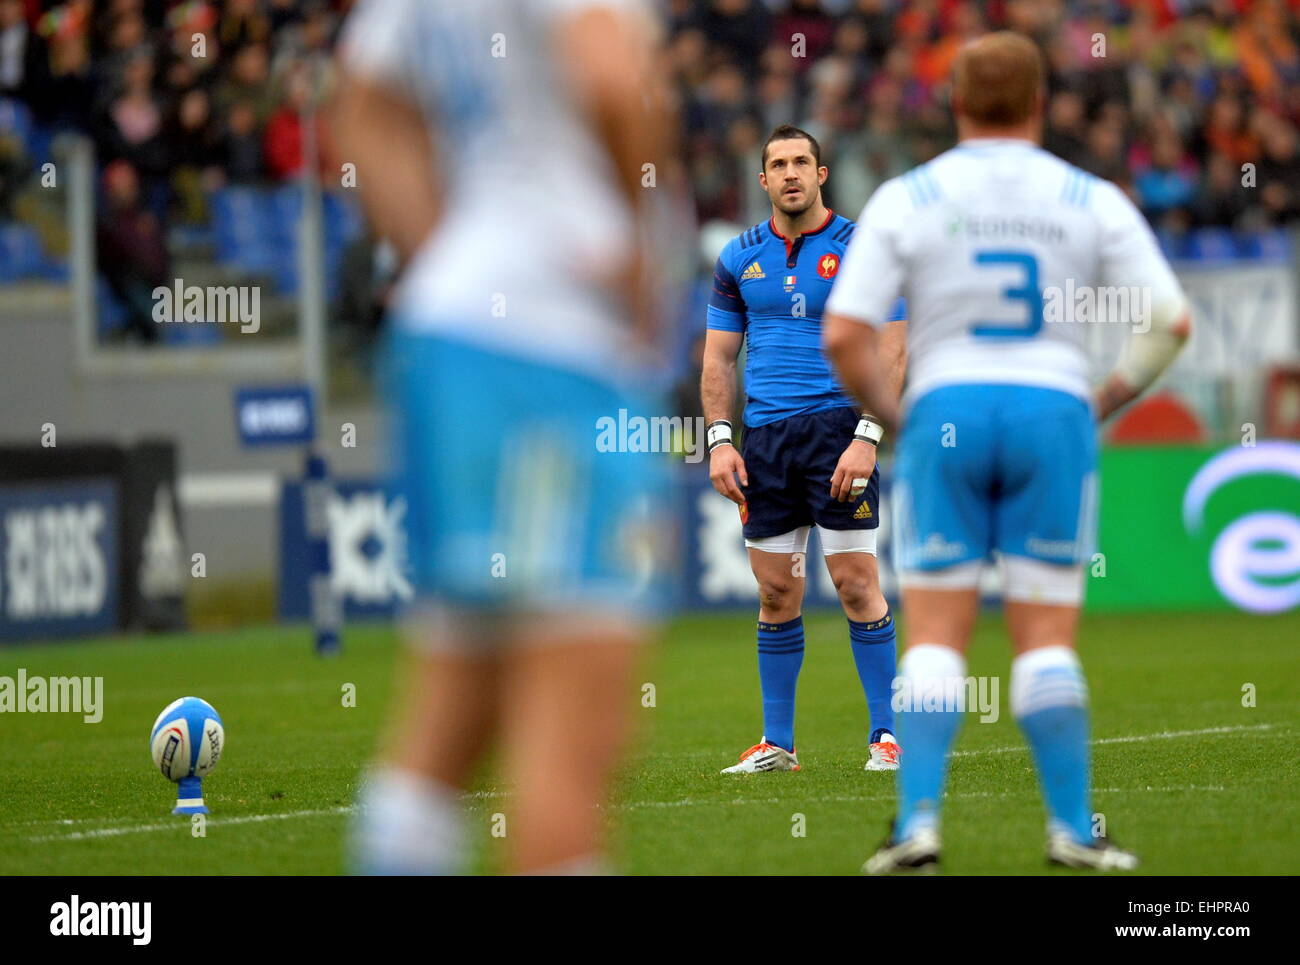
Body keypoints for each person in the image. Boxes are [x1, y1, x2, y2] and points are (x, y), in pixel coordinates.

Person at [823, 32, 1191, 872]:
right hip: (1051, 408)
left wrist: (895, 416)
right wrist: (1103, 398)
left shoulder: (909, 195)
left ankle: (916, 824)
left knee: (936, 637)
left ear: (954, 101)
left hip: (947, 405)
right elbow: (1170, 319)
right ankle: (1071, 830)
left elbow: (845, 332)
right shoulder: (1086, 194)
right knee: (1046, 637)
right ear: (1038, 101)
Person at [333, 0, 674, 875]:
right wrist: (642, 245)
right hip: (553, 342)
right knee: (574, 732)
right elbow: (605, 71)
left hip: (453, 329)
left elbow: (359, 108)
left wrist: (444, 248)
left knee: (452, 710)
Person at [702, 124, 907, 775]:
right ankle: (779, 745)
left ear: (822, 174)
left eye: (801, 162)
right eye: (778, 164)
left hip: (837, 432)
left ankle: (887, 737)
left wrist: (868, 437)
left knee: (854, 583)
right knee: (775, 593)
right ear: (762, 179)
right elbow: (718, 359)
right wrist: (719, 440)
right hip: (764, 440)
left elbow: (893, 349)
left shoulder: (863, 249)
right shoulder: (738, 257)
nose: (790, 173)